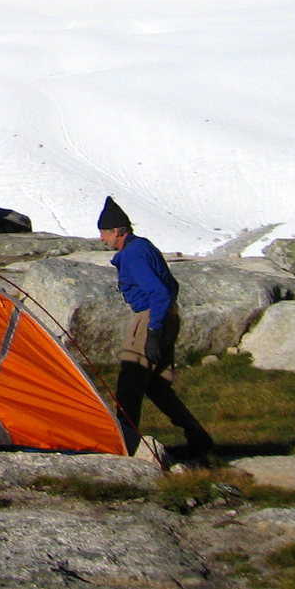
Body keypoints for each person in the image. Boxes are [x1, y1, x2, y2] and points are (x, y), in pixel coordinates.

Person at [98, 196, 214, 462]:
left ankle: (123, 444)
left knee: (130, 383)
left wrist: (153, 330)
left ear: (118, 231)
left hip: (150, 317)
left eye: (104, 233)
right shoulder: (144, 247)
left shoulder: (132, 254)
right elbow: (171, 287)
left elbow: (159, 292)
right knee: (157, 386)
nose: (103, 239)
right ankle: (197, 436)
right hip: (166, 316)